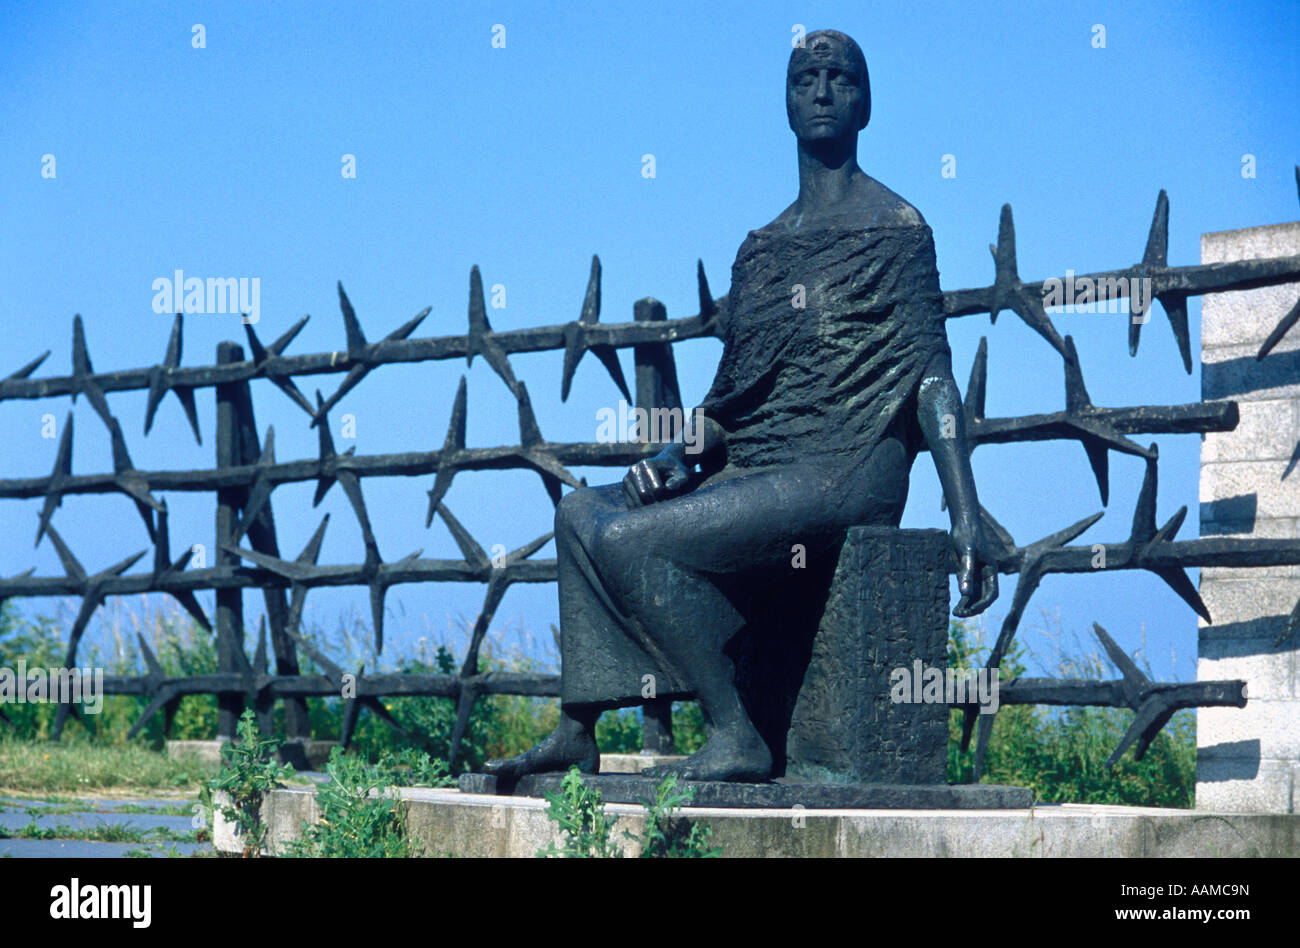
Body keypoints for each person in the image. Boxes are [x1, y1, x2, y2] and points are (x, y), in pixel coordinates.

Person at [485, 30, 999, 783]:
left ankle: (737, 732)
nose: (821, 92)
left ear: (866, 103)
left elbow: (930, 376)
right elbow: (732, 398)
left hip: (846, 469)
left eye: (840, 79)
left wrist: (965, 511)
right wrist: (674, 456)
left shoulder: (897, 230)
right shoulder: (761, 248)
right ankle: (576, 728)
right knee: (579, 516)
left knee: (634, 543)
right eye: (805, 80)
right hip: (758, 462)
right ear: (786, 103)